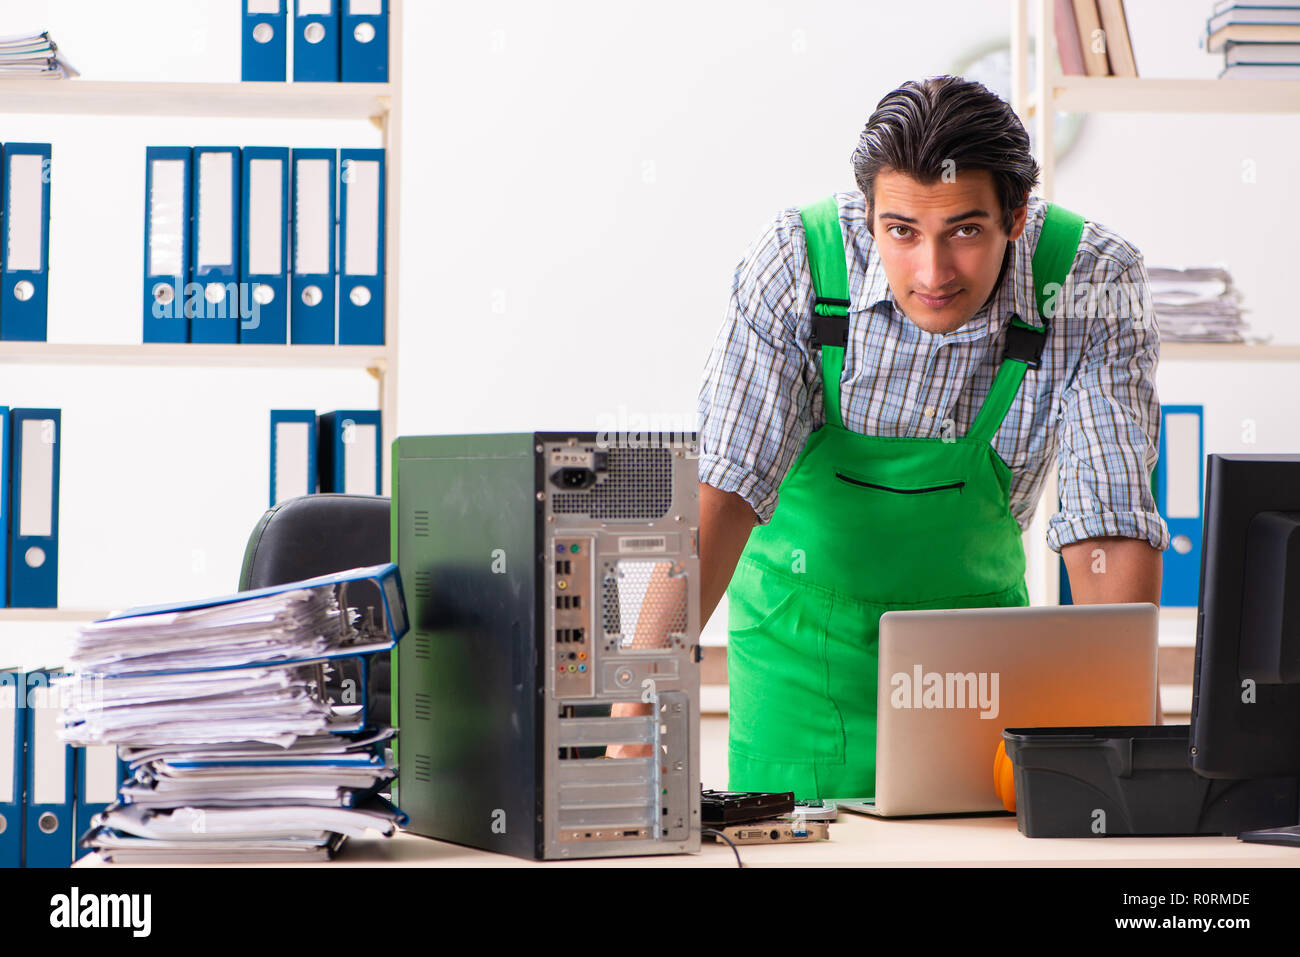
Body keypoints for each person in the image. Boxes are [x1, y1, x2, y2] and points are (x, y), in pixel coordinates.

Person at [613, 75, 1167, 799]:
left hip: (979, 678)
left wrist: (1139, 766)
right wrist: (629, 725)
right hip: (797, 670)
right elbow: (721, 493)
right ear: (868, 213)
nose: (931, 273)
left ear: (1018, 217)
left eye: (965, 230)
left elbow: (1109, 521)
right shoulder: (798, 264)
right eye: (901, 232)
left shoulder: (1091, 280)